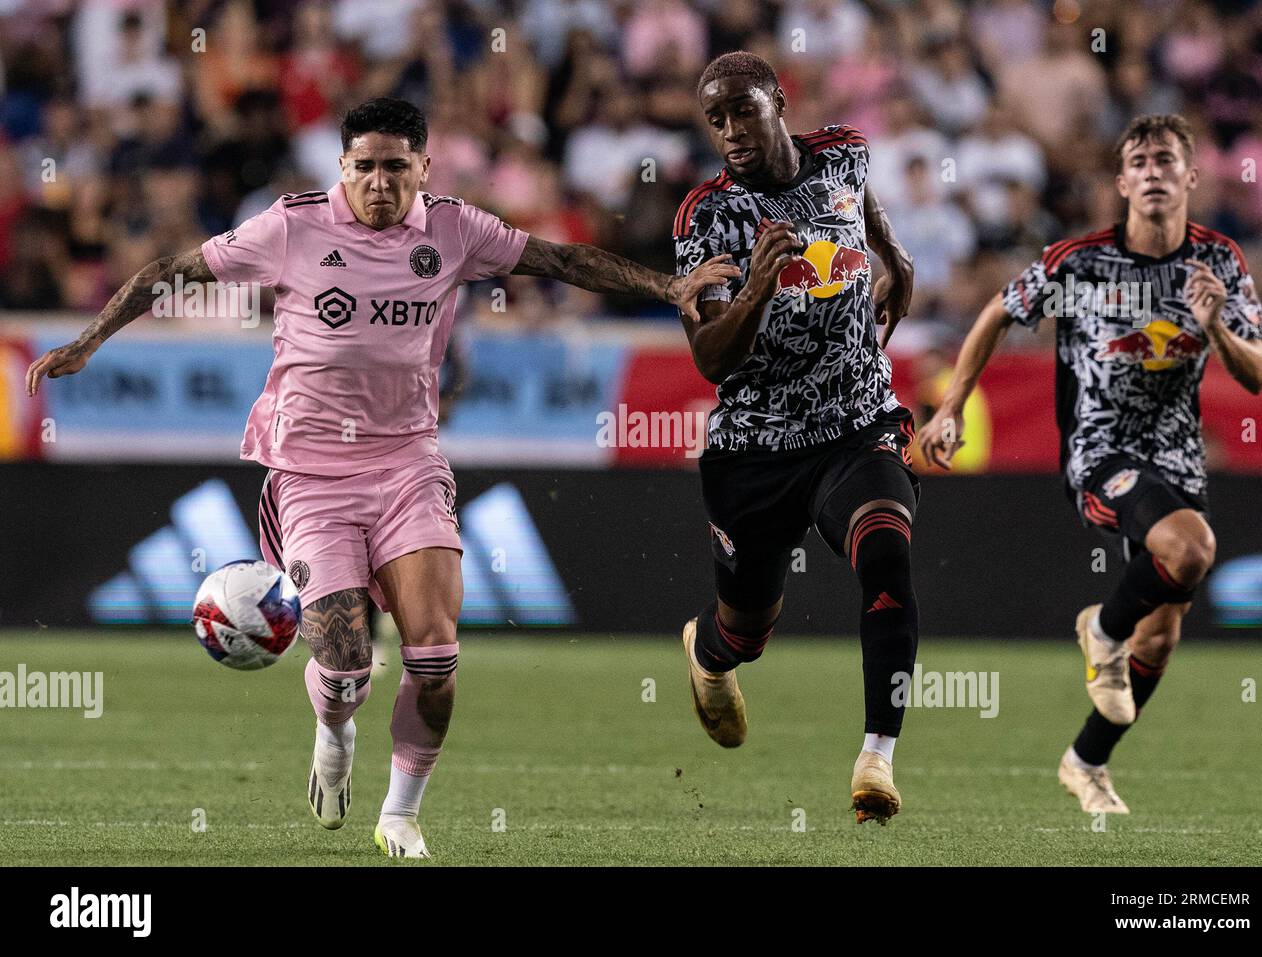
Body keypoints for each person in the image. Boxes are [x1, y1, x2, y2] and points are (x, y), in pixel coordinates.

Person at [26, 96, 737, 859]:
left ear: (423, 168)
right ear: (342, 167)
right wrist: (87, 342)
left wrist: (669, 288)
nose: (378, 182)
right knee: (343, 664)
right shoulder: (292, 226)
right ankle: (334, 731)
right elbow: (174, 270)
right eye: (363, 166)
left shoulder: (456, 229)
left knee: (435, 657)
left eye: (396, 167)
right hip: (308, 472)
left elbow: (560, 259)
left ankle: (400, 813)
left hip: (407, 463)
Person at [917, 114, 1262, 814]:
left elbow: (1256, 374)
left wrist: (1218, 323)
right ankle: (1101, 627)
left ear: (1191, 177)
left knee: (1162, 634)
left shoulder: (1219, 262)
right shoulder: (1078, 262)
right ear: (1122, 183)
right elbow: (995, 311)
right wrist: (952, 403)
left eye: (1166, 160)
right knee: (1193, 548)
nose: (1153, 171)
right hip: (1100, 448)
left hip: (1176, 457)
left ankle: (1087, 760)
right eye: (1138, 161)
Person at [673, 52, 918, 825]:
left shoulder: (843, 148)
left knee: (885, 553)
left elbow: (860, 201)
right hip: (756, 445)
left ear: (779, 102)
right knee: (745, 629)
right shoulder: (705, 217)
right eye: (716, 119)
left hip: (855, 422)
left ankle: (877, 755)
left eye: (744, 110)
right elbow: (712, 358)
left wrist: (894, 255)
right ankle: (710, 657)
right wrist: (754, 287)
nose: (731, 131)